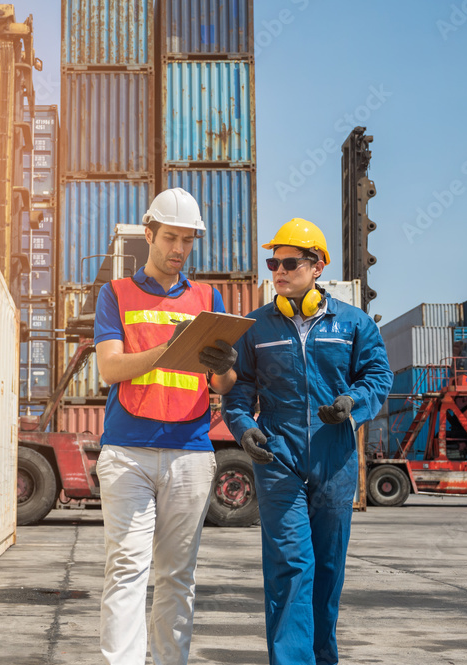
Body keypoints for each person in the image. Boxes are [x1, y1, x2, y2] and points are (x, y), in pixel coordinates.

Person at [223, 218, 392, 665]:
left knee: (328, 569)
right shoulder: (255, 327)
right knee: (290, 567)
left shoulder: (353, 324)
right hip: (278, 457)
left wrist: (351, 403)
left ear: (317, 267)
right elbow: (237, 393)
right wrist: (244, 428)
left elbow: (378, 376)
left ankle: (323, 657)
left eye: (289, 262)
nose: (277, 270)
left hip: (334, 460)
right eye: (272, 262)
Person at [93, 187, 238, 665]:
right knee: (127, 568)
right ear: (149, 233)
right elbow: (110, 370)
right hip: (128, 452)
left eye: (187, 241)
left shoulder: (207, 298)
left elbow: (223, 383)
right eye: (170, 237)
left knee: (177, 575)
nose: (178, 250)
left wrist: (224, 364)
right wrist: (171, 347)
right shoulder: (116, 294)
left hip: (190, 452)